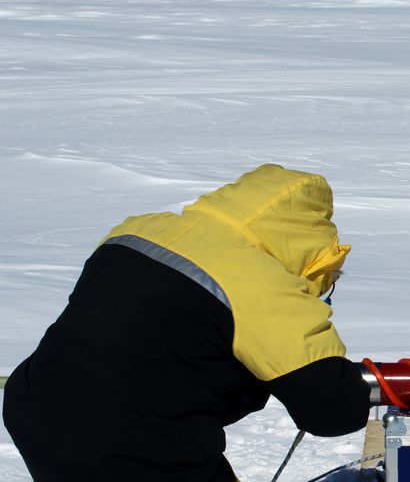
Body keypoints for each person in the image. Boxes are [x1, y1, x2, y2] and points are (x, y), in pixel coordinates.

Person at [2, 164, 371, 482]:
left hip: (35, 408)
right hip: (132, 446)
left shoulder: (137, 231)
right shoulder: (262, 283)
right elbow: (332, 411)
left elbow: (162, 341)